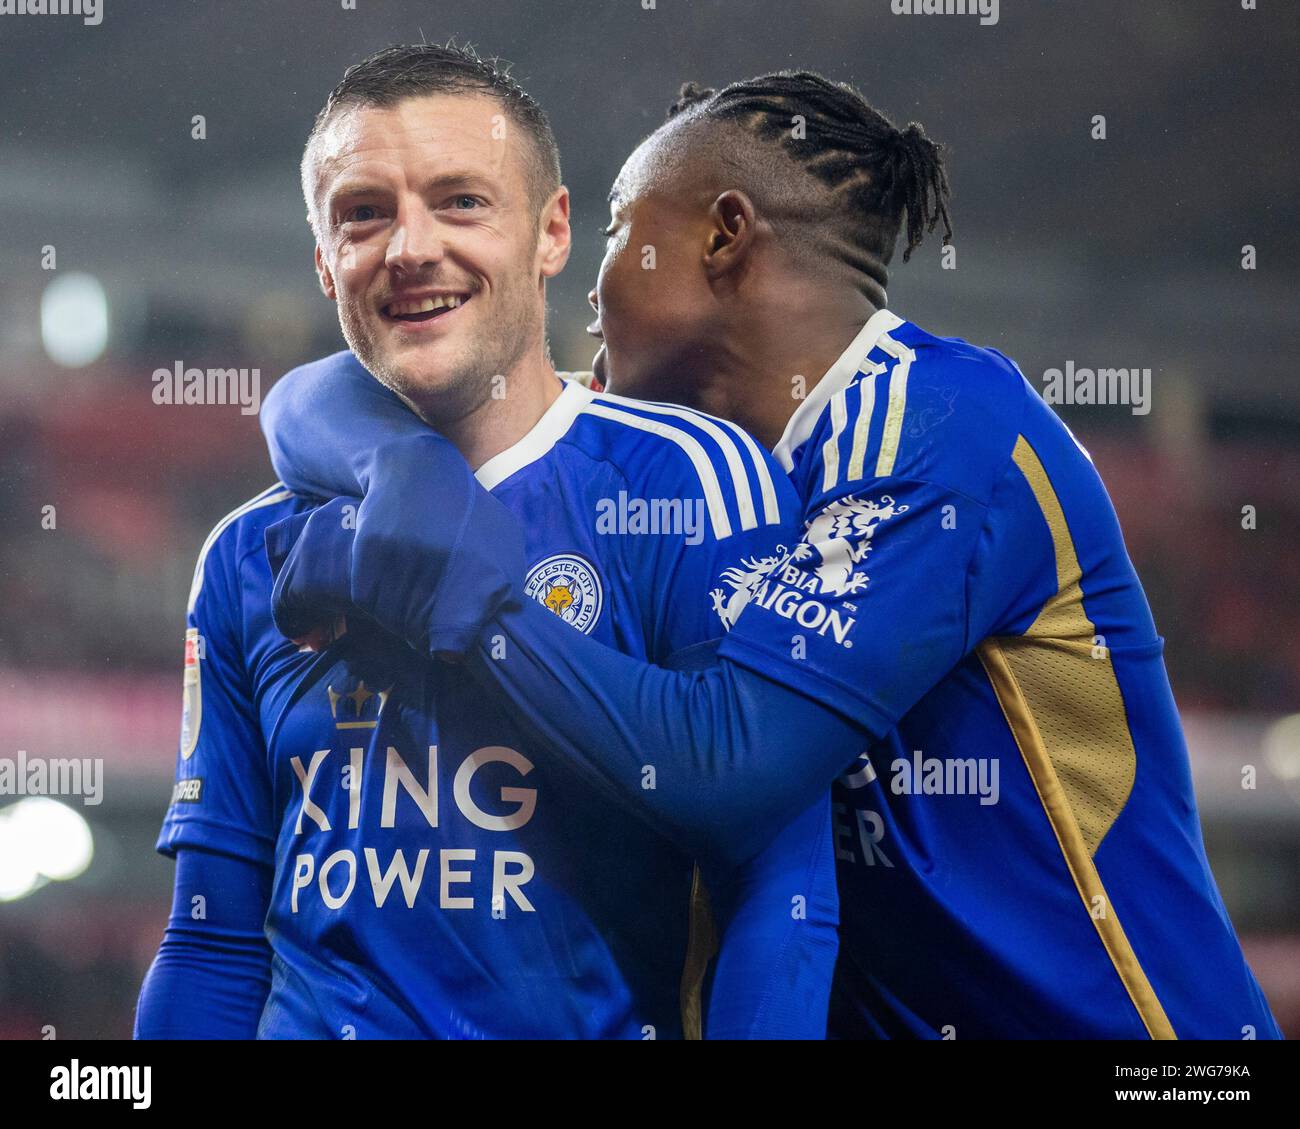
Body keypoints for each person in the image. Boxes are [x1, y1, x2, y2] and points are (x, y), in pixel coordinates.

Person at [264, 70, 1282, 1039]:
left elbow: (723, 766)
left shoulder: (935, 430)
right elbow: (313, 395)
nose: (593, 286)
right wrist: (399, 465)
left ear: (722, 237)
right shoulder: (720, 466)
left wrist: (466, 598)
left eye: (621, 230)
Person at [135, 44, 838, 1041]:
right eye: (363, 213)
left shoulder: (688, 483)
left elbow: (780, 885)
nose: (409, 247)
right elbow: (212, 938)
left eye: (461, 201)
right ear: (322, 256)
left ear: (552, 232)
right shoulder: (247, 551)